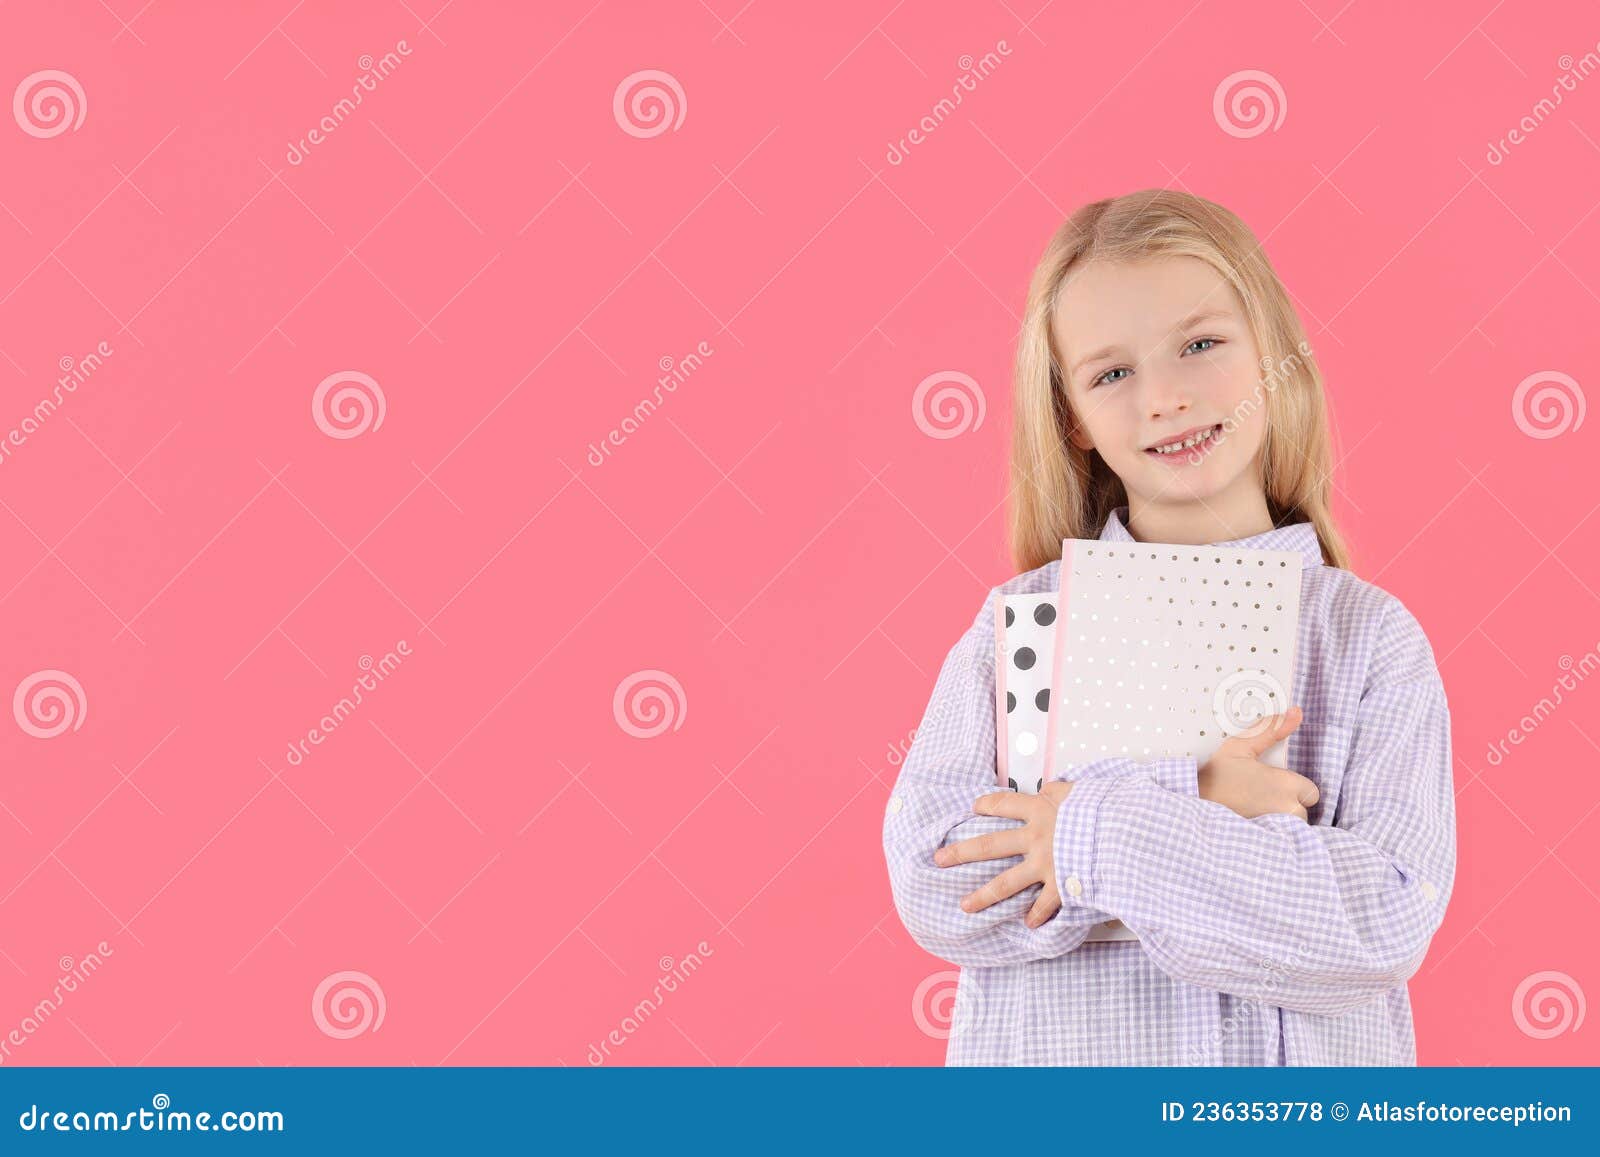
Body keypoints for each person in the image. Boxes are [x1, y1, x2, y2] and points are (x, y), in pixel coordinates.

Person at [882, 188, 1455, 1065]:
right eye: (1113, 373)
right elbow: (935, 879)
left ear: (1275, 352)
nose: (1167, 398)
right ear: (1071, 416)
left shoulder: (1368, 641)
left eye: (1200, 345)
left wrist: (1080, 837)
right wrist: (1194, 795)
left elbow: (1377, 921)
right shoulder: (1020, 627)